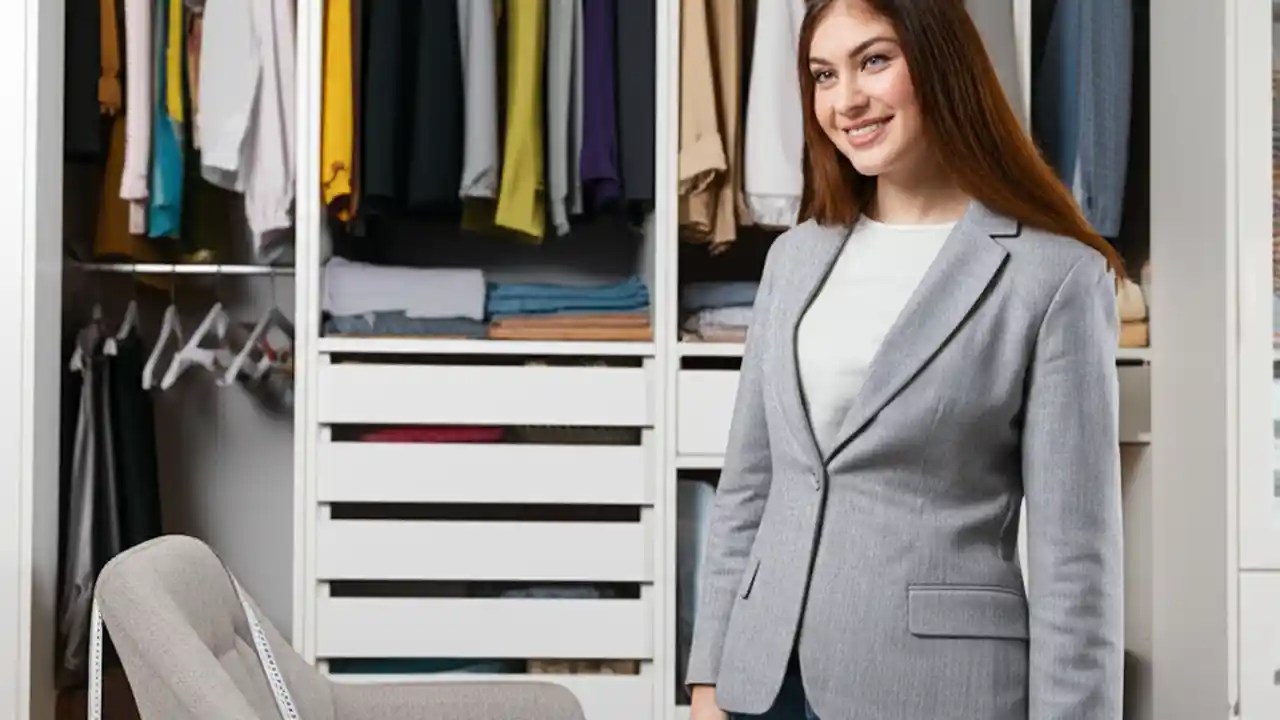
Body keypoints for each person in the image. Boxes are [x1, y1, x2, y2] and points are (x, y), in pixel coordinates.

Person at [685, 1, 1125, 719]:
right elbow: (748, 490)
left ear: (942, 65)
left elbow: (1078, 558)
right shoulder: (795, 259)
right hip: (764, 683)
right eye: (823, 75)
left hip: (936, 687)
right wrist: (708, 680)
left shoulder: (1053, 277)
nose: (846, 99)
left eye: (875, 61)